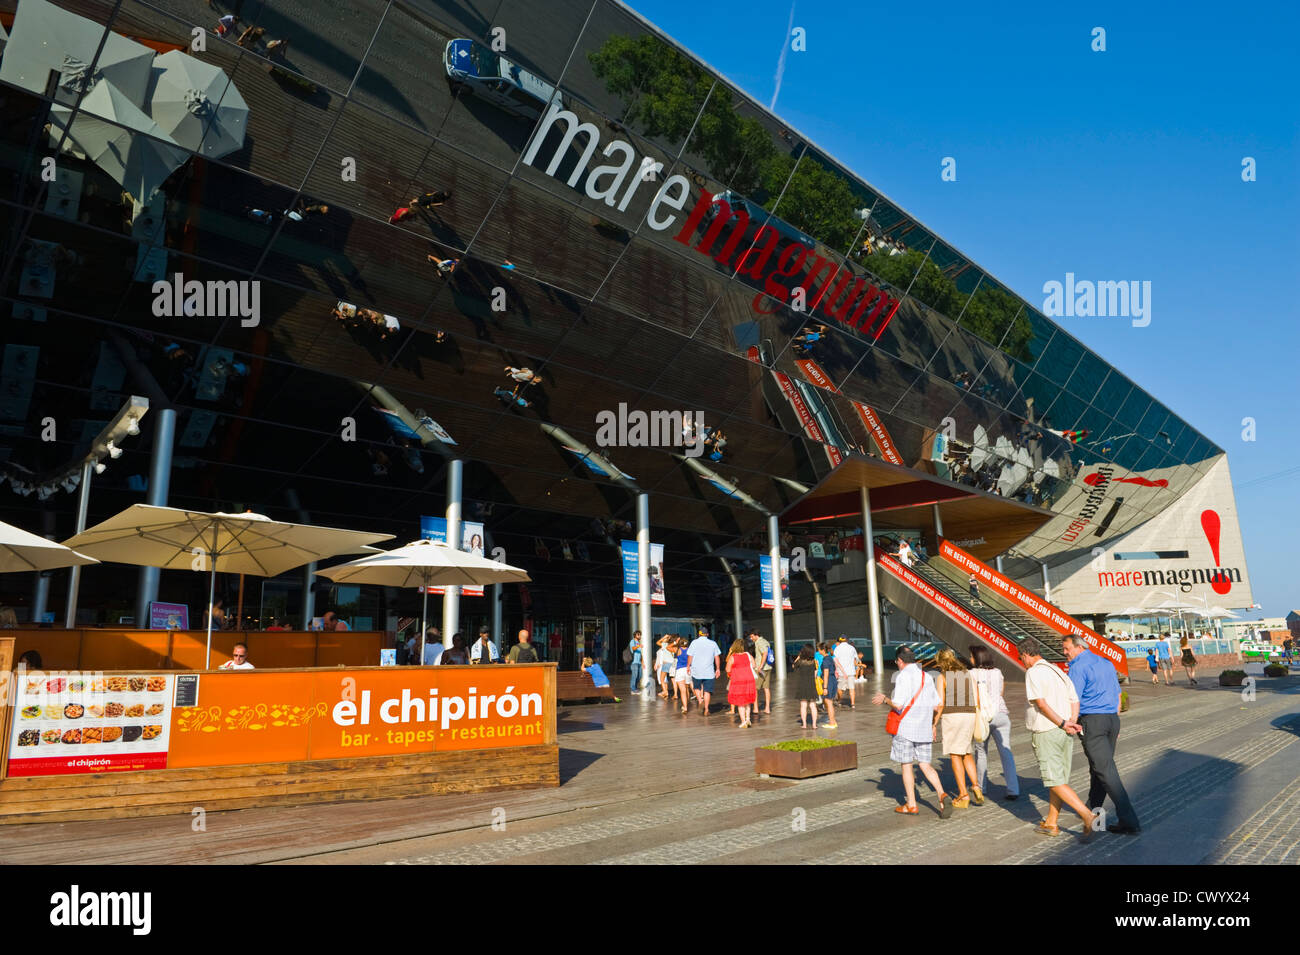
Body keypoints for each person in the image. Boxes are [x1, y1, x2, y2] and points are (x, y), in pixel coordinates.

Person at [1063, 635, 1140, 834]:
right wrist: (1115, 722)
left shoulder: (1078, 667)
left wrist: (1070, 722)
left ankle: (1129, 819)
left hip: (1092, 721)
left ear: (1079, 648)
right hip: (1111, 720)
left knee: (1105, 770)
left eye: (1066, 649)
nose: (1065, 653)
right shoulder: (1105, 662)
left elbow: (1073, 698)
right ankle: (1092, 808)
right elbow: (1117, 695)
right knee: (1099, 768)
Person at [1022, 637, 1096, 840]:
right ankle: (1051, 822)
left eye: (1023, 658)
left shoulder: (1033, 672)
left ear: (1026, 654)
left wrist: (1062, 723)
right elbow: (1074, 699)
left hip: (1048, 730)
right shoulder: (1057, 670)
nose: (1023, 662)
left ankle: (1086, 815)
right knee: (1059, 778)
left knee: (1053, 780)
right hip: (1064, 730)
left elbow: (1042, 704)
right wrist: (1070, 721)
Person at [872, 647, 950, 817]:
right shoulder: (927, 677)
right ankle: (942, 794)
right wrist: (933, 725)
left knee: (907, 765)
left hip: (905, 728)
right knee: (925, 765)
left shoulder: (903, 676)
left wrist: (885, 699)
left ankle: (912, 804)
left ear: (900, 660)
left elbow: (898, 704)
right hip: (923, 729)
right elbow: (937, 705)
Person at [969, 644, 1019, 801]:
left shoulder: (971, 674)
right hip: (1001, 715)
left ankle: (981, 787)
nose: (969, 658)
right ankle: (1013, 789)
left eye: (971, 656)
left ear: (977, 658)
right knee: (1006, 752)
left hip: (983, 717)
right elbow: (1001, 692)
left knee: (981, 752)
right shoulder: (998, 672)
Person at [935, 649, 981, 808]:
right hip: (969, 715)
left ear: (941, 662)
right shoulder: (968, 674)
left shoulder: (942, 677)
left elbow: (940, 703)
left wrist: (934, 723)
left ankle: (963, 794)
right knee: (967, 752)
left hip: (952, 716)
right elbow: (977, 697)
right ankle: (976, 786)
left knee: (955, 755)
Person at [687, 627, 722, 714]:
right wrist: (718, 669)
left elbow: (690, 656)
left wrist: (688, 666)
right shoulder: (713, 643)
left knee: (697, 687)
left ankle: (700, 701)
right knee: (707, 691)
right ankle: (706, 709)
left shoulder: (694, 643)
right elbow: (717, 657)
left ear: (699, 634)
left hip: (696, 670)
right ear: (707, 634)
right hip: (709, 672)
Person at [725, 638, 758, 728]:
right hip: (749, 680)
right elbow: (754, 665)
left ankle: (743, 721)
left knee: (740, 702)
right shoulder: (748, 655)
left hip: (738, 681)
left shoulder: (733, 657)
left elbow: (727, 669)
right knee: (747, 701)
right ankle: (748, 719)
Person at [792, 645, 820, 728]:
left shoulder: (800, 661)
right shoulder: (814, 662)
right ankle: (814, 725)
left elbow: (794, 666)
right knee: (813, 705)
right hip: (811, 684)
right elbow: (815, 674)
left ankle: (804, 724)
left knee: (803, 705)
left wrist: (798, 657)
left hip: (802, 685)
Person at [751, 629, 773, 714]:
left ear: (756, 635)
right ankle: (767, 708)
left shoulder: (759, 642)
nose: (751, 638)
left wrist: (760, 666)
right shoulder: (766, 641)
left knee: (755, 688)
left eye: (752, 636)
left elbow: (765, 653)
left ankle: (756, 708)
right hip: (768, 667)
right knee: (766, 688)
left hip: (760, 669)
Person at [833, 635, 858, 708]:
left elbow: (835, 660)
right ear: (847, 640)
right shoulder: (852, 648)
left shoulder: (837, 648)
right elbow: (855, 659)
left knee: (840, 688)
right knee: (852, 688)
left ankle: (840, 701)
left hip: (841, 671)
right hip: (851, 671)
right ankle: (853, 704)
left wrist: (835, 670)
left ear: (840, 641)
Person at [818, 643, 838, 729]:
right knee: (830, 702)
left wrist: (825, 687)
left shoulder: (826, 660)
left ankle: (832, 723)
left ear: (822, 650)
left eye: (818, 649)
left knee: (828, 702)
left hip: (828, 681)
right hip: (833, 680)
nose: (818, 651)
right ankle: (833, 721)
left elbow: (826, 674)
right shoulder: (830, 658)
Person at [672, 638, 692, 713]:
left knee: (682, 690)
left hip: (680, 670)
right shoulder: (690, 650)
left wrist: (675, 642)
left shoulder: (678, 650)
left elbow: (668, 647)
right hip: (688, 669)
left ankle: (685, 707)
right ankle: (688, 702)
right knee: (687, 688)